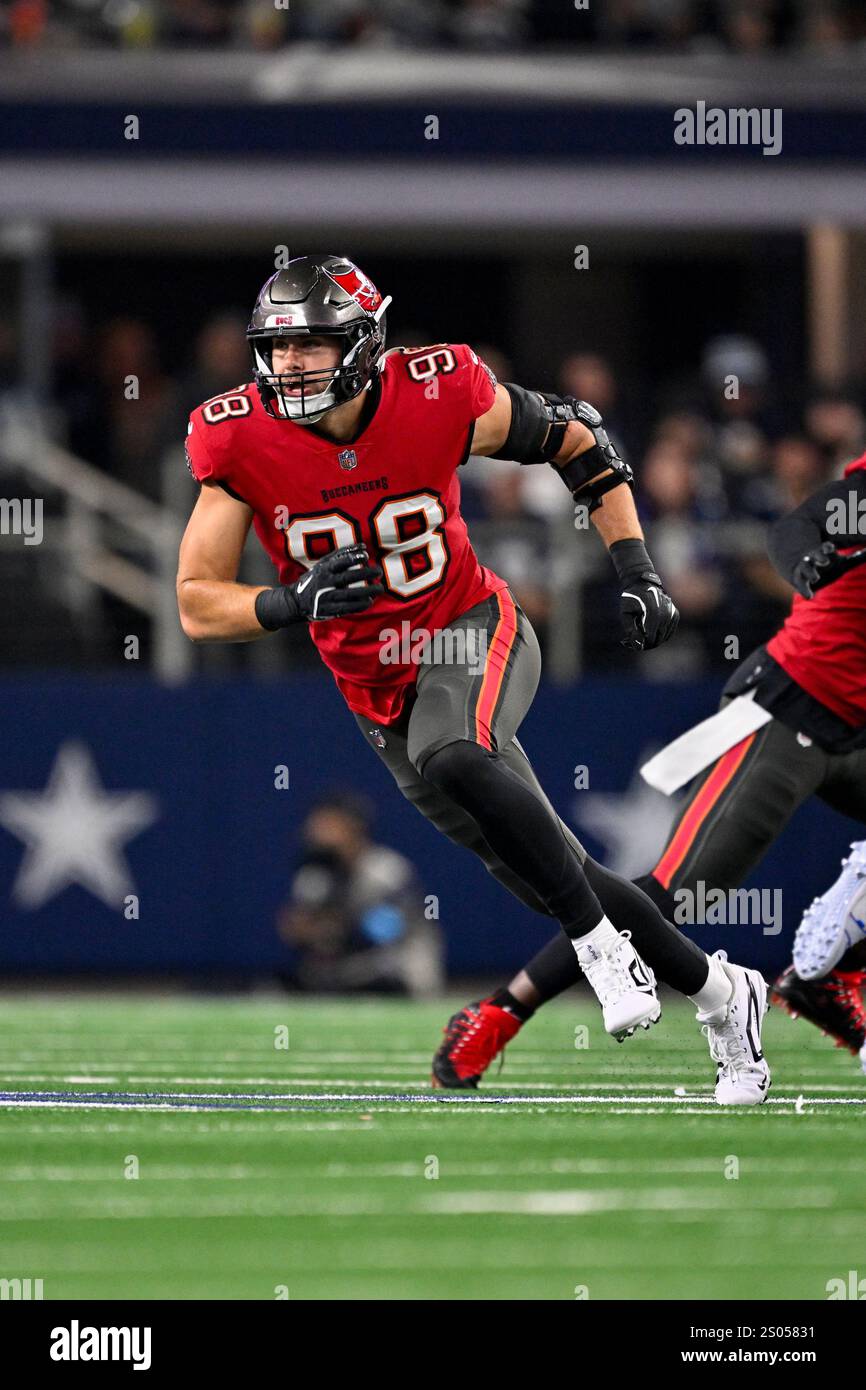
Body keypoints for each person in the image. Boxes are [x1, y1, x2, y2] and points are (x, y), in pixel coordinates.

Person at [176, 253, 770, 1105]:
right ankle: (722, 993)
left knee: (456, 752)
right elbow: (197, 601)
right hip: (376, 692)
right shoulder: (238, 435)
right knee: (549, 866)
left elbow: (577, 433)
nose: (291, 364)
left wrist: (635, 565)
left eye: (312, 343)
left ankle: (601, 948)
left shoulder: (436, 390)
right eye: (279, 346)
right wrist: (288, 598)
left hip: (470, 629)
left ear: (363, 341)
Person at [434, 453, 866, 1085]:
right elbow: (797, 528)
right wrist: (810, 564)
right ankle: (505, 1008)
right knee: (673, 896)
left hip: (855, 731)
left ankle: (829, 975)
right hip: (783, 714)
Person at [277, 791, 443, 996]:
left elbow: (388, 931)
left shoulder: (386, 871)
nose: (317, 831)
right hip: (345, 972)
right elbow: (304, 933)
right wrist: (303, 929)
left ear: (353, 826)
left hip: (398, 969)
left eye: (328, 824)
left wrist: (337, 926)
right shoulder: (314, 874)